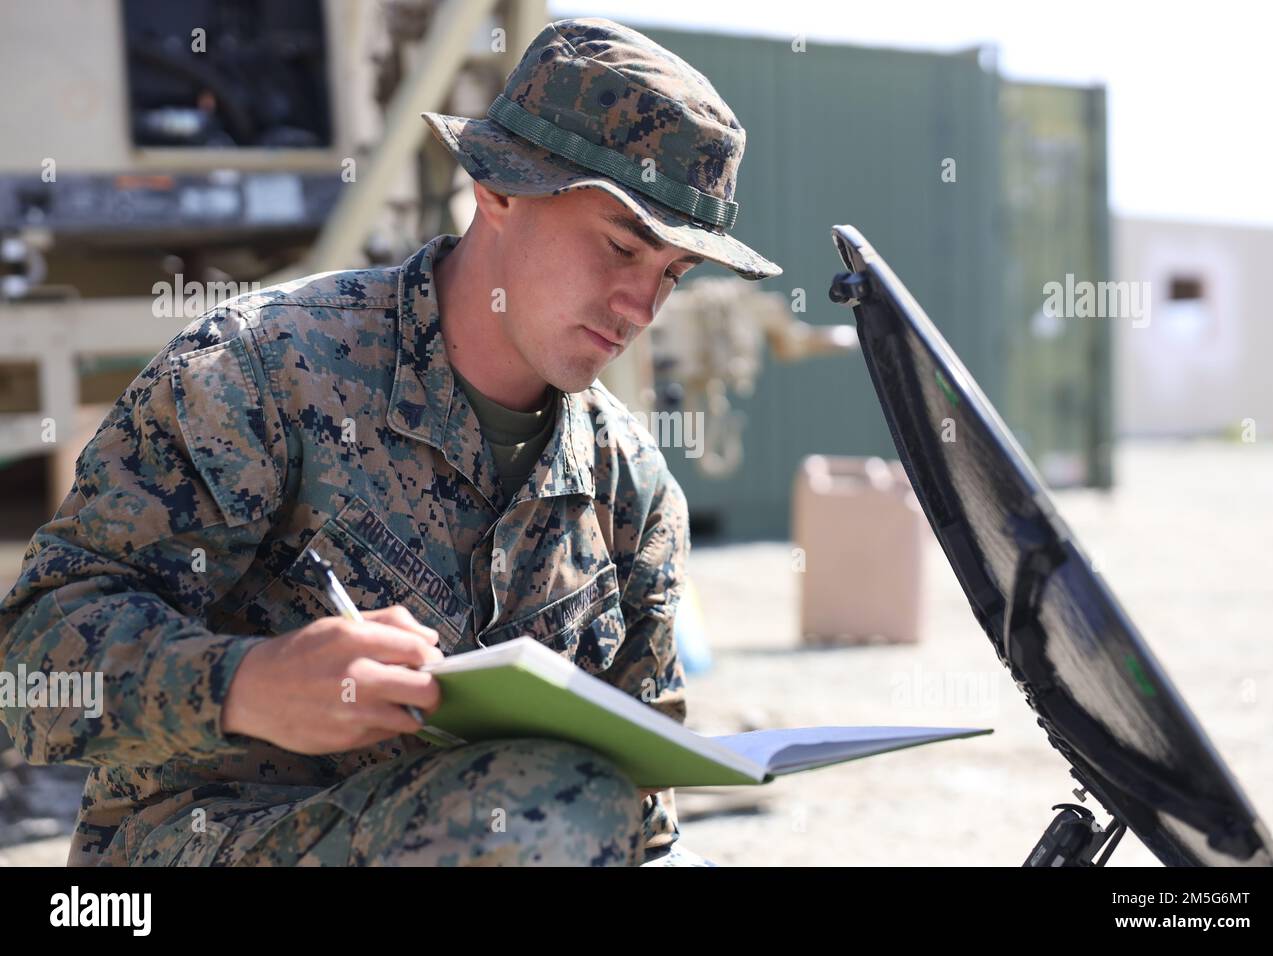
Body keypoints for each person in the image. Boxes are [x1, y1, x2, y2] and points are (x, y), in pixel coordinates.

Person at [0, 16, 780, 867]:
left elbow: (640, 813)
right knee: (545, 816)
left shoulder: (628, 486)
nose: (640, 308)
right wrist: (243, 685)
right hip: (213, 845)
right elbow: (29, 665)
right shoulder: (264, 372)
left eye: (671, 273)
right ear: (499, 190)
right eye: (620, 247)